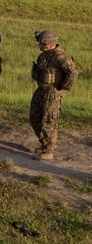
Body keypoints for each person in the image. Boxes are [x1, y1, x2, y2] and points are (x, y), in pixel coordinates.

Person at [30, 30, 79, 160]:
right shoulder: (43, 55)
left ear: (47, 43)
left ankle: (48, 151)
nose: (38, 44)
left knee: (48, 121)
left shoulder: (60, 56)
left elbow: (73, 73)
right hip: (41, 90)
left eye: (40, 42)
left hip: (52, 92)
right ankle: (46, 143)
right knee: (34, 118)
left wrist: (63, 87)